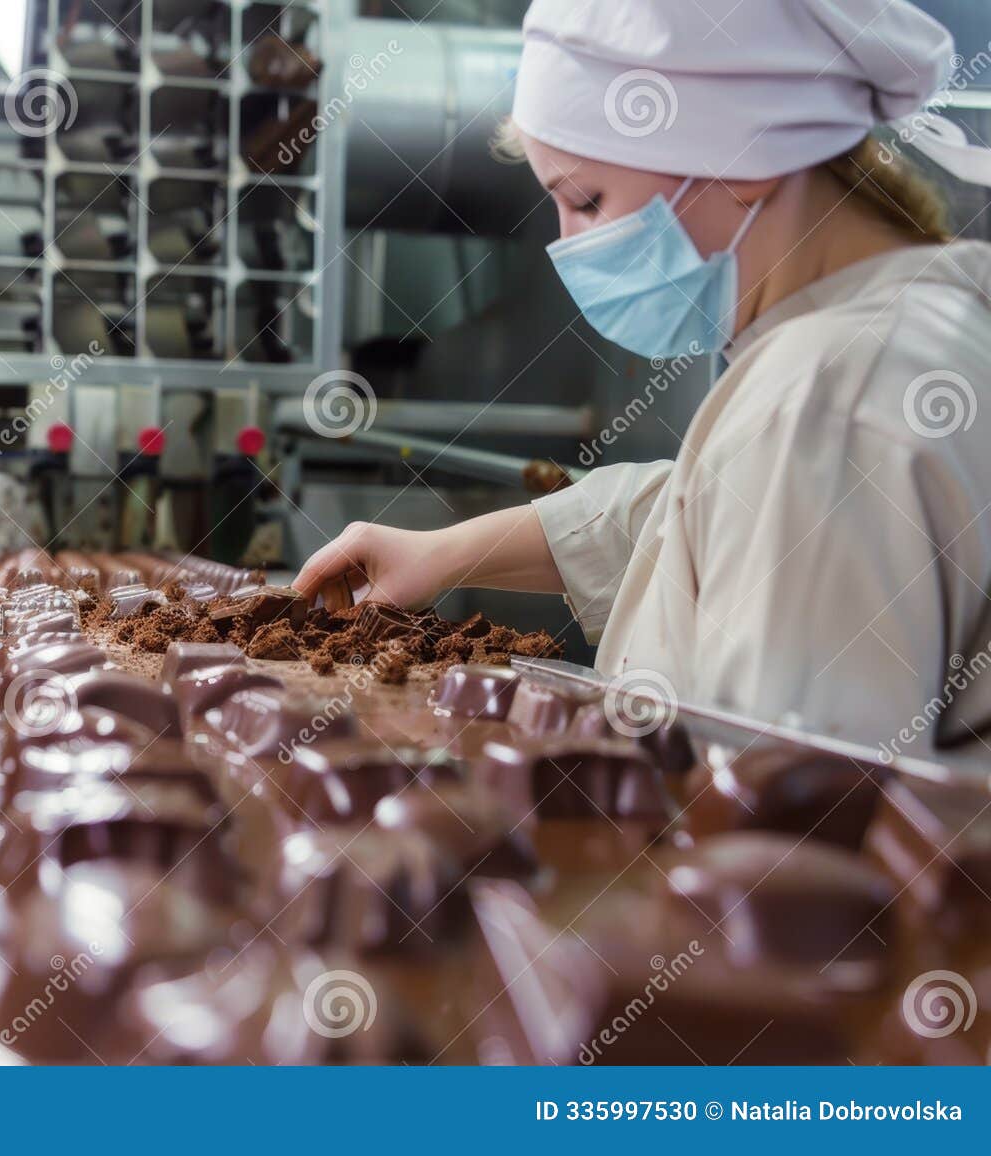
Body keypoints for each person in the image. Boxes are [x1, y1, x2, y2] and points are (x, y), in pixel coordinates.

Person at [294, 0, 991, 767]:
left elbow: (775, 828)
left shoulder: (826, 397)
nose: (568, 248)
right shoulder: (903, 329)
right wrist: (446, 552)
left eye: (587, 200)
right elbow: (696, 516)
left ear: (744, 155)